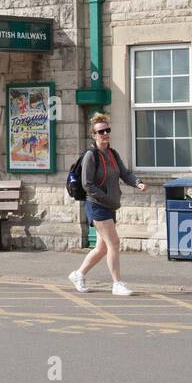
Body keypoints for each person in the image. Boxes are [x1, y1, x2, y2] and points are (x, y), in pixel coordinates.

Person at [69, 114, 148, 296]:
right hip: (97, 205)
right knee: (114, 243)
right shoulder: (91, 156)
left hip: (109, 205)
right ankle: (117, 284)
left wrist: (138, 182)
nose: (105, 134)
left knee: (102, 247)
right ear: (93, 135)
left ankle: (78, 274)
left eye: (107, 130)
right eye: (100, 131)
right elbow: (87, 184)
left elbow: (125, 173)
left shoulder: (112, 154)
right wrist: (105, 198)